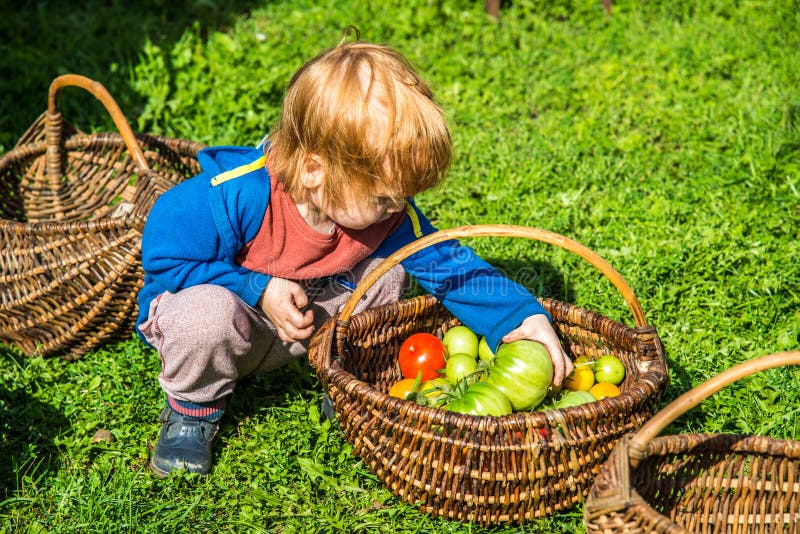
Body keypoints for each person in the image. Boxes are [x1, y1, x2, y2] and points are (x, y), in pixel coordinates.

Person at [136, 32, 573, 477]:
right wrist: (257, 287)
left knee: (385, 274)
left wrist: (520, 317)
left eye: (403, 196)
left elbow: (447, 264)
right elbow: (164, 260)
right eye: (385, 198)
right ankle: (193, 410)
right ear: (314, 170)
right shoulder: (238, 194)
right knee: (203, 316)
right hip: (228, 319)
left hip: (304, 320)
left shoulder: (383, 213)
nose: (398, 208)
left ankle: (342, 378)